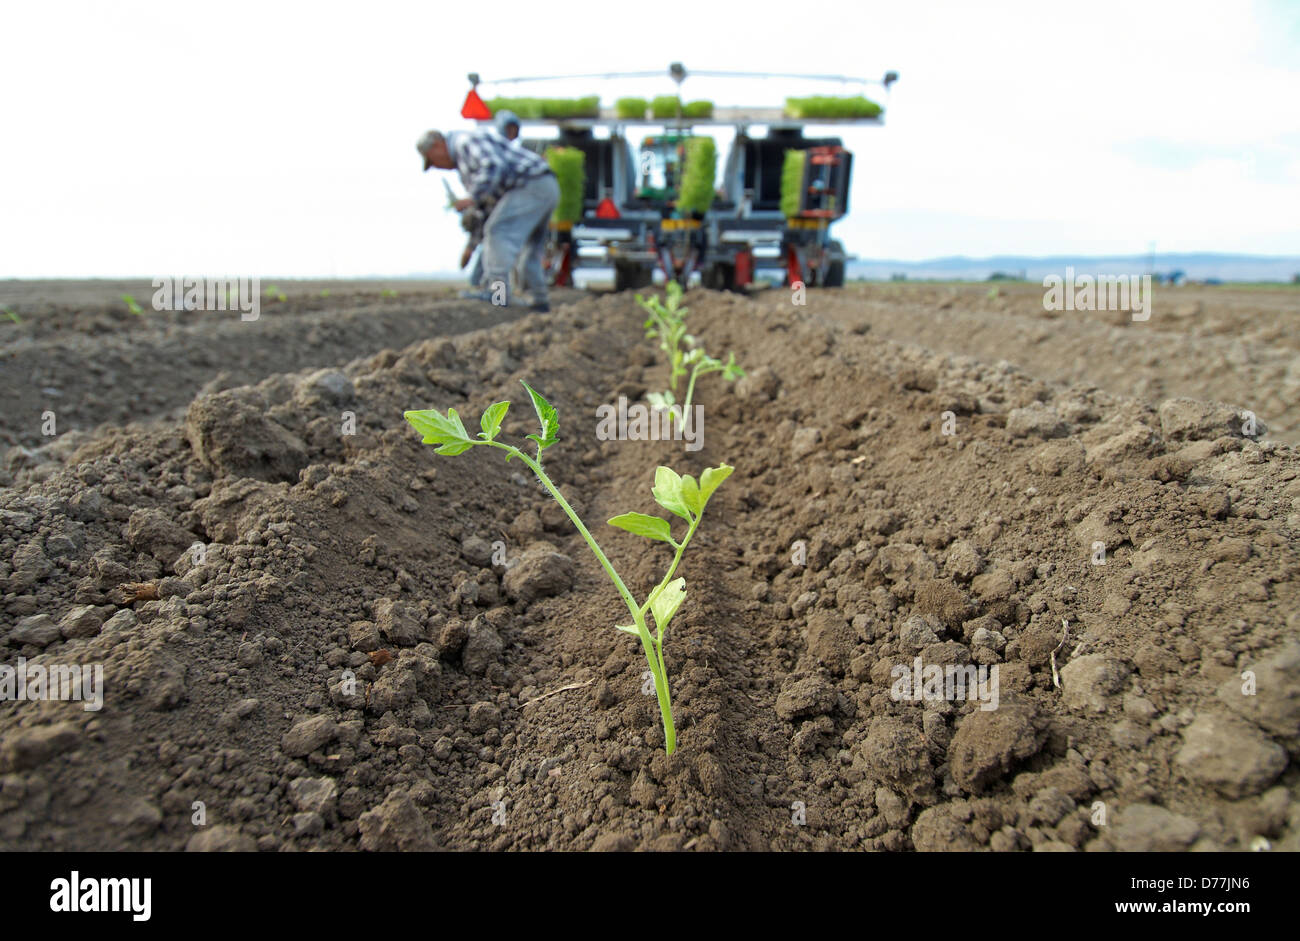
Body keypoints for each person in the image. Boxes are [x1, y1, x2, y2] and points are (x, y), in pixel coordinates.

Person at [418, 128, 557, 312]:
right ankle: (540, 301)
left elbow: (492, 166)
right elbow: (486, 211)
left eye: (432, 160)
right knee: (530, 248)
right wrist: (471, 245)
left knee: (498, 233)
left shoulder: (463, 142)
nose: (436, 166)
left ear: (437, 145)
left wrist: (471, 197)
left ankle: (498, 295)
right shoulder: (465, 159)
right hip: (545, 186)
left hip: (529, 184)